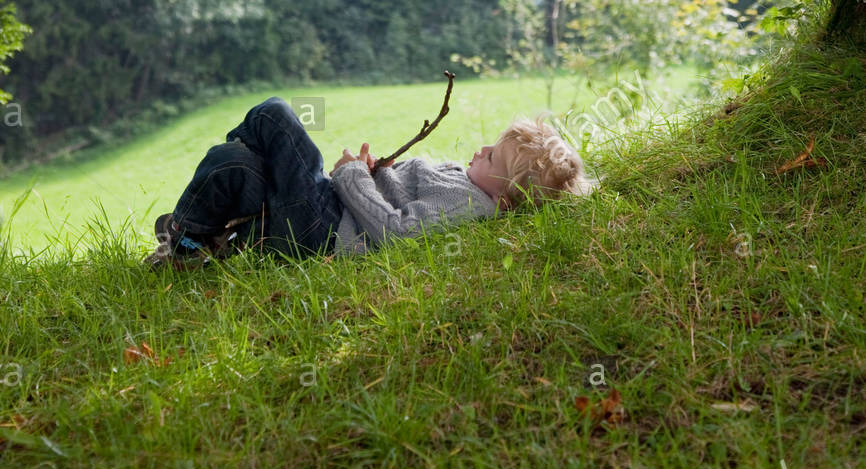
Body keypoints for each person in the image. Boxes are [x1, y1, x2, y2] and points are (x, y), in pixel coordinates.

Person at [143, 96, 596, 269]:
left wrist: (352, 174)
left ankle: (222, 224)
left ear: (507, 196)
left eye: (491, 156)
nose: (480, 150)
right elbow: (400, 196)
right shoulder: (471, 186)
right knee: (232, 162)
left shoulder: (470, 204)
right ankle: (188, 246)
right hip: (317, 220)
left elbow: (394, 231)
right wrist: (379, 172)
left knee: (275, 116)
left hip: (322, 231)